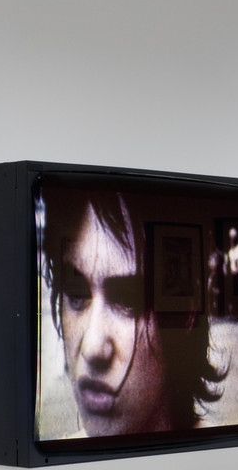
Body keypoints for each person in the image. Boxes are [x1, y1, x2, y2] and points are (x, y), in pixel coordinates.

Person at [40, 187, 224, 439]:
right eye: (76, 293)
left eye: (127, 299)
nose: (92, 348)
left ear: (186, 312)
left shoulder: (223, 458)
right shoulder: (55, 465)